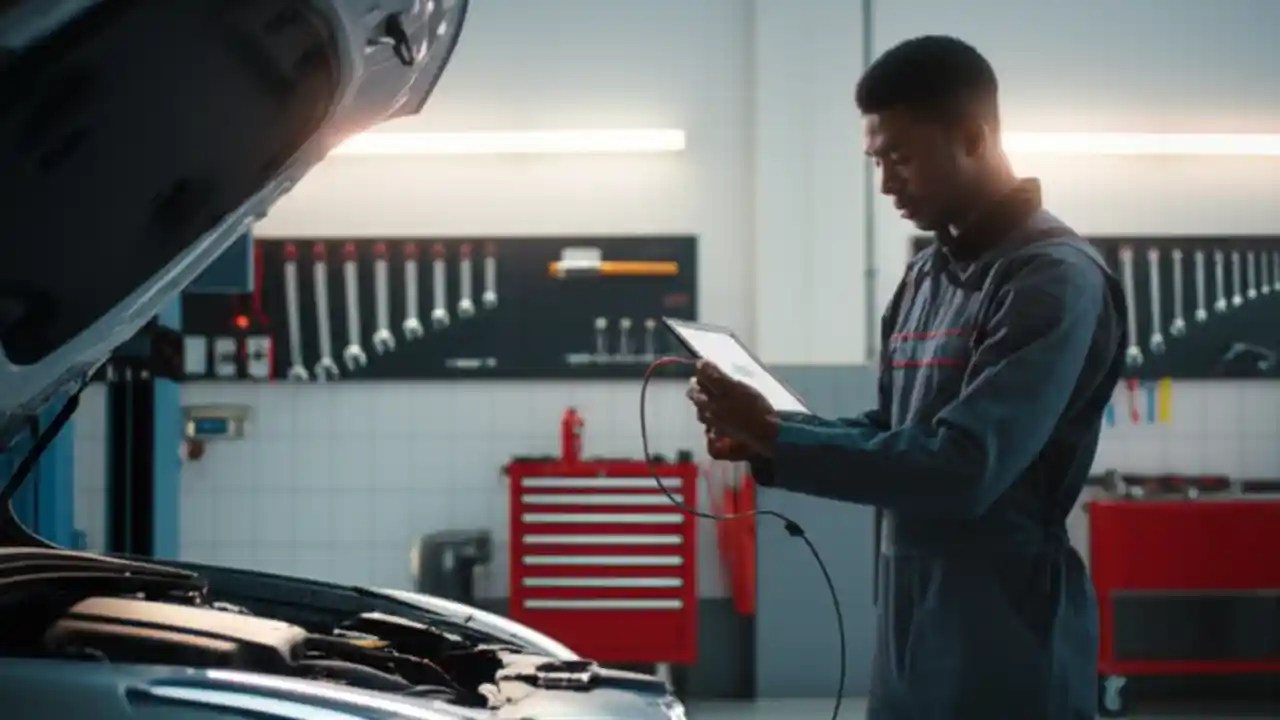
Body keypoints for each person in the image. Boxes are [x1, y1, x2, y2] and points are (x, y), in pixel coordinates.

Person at [688, 35, 1126, 719]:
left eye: (901, 157)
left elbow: (963, 467)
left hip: (1007, 638)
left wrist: (778, 438)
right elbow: (893, 432)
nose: (887, 182)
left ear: (974, 138)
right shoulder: (926, 275)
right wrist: (768, 431)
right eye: (876, 161)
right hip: (908, 633)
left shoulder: (1051, 278)